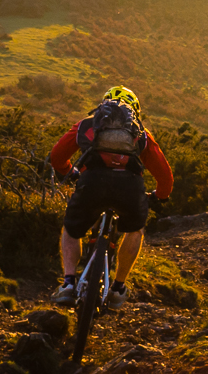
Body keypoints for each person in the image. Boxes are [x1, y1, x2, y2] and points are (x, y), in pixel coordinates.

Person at [47, 86, 173, 309]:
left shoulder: (87, 124)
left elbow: (56, 157)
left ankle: (68, 283)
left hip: (92, 183)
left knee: (71, 229)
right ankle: (118, 288)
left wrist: (72, 173)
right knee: (135, 230)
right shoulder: (140, 132)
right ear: (134, 110)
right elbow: (165, 176)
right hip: (129, 188)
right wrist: (159, 196)